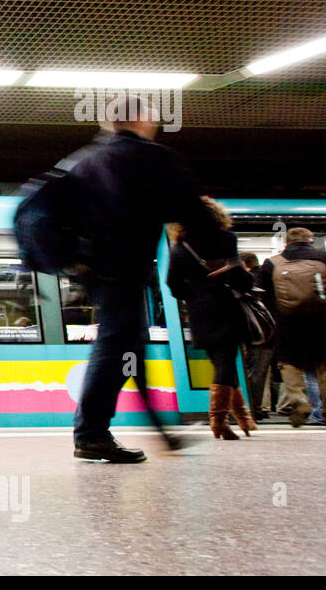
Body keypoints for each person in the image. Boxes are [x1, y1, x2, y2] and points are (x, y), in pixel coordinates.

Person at [61, 98, 224, 462]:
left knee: (129, 346)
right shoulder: (151, 157)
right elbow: (193, 210)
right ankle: (91, 434)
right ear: (139, 119)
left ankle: (157, 431)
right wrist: (217, 247)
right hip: (124, 268)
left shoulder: (84, 161)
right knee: (117, 344)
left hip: (94, 270)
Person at [166, 198, 257, 440]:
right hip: (226, 306)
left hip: (200, 313)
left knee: (221, 363)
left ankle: (244, 419)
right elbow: (239, 276)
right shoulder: (226, 239)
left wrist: (196, 296)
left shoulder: (180, 247)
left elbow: (172, 285)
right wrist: (239, 284)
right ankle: (218, 421)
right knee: (226, 362)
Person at [259, 227, 326, 428]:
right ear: (311, 240)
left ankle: (299, 400)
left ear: (286, 243)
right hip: (324, 322)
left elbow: (264, 296)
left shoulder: (272, 263)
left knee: (289, 364)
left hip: (287, 323)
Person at [237, 252, 273, 420]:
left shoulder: (248, 281)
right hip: (267, 331)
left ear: (244, 263)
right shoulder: (268, 276)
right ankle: (257, 407)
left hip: (254, 332)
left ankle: (252, 408)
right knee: (260, 372)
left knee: (253, 372)